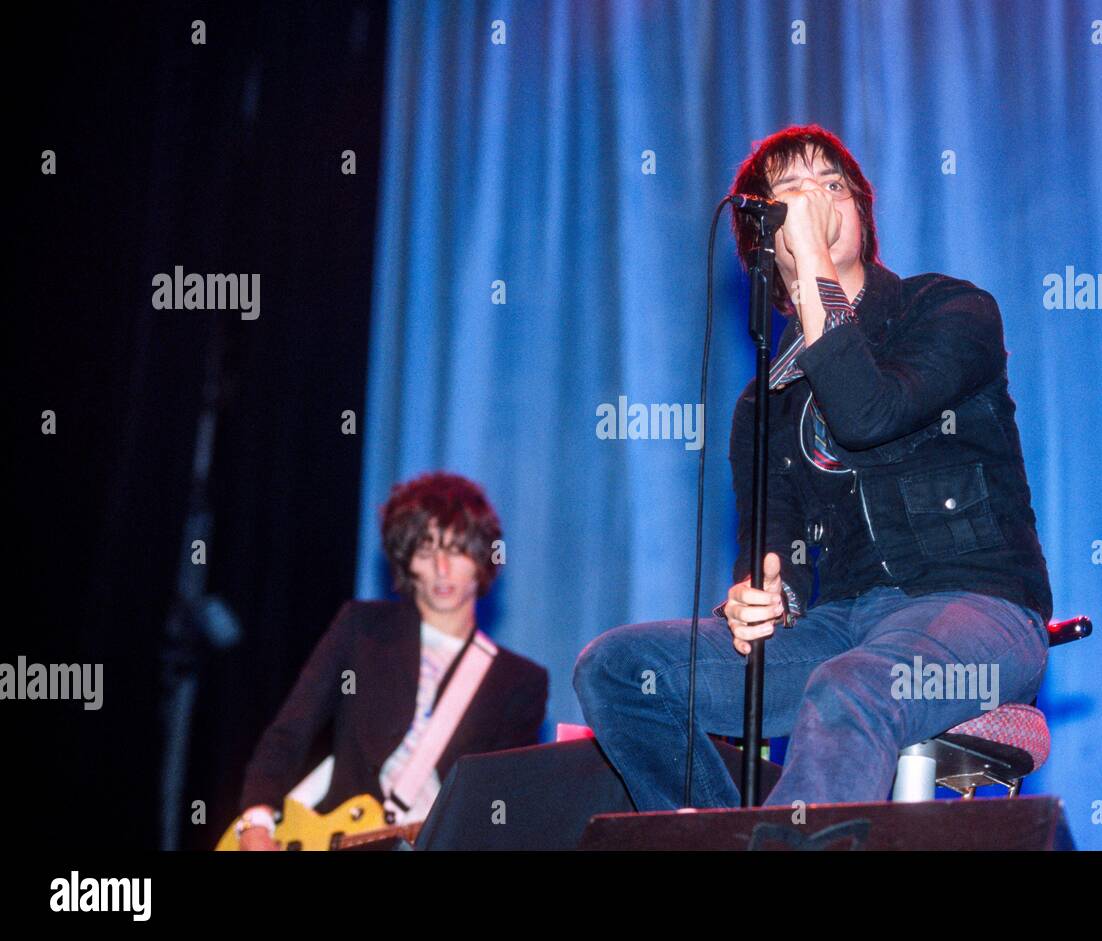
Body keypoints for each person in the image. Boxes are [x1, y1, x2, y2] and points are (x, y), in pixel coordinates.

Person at [573, 124, 1053, 811]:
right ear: (763, 236)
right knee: (617, 668)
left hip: (975, 607)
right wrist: (762, 598)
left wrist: (814, 270)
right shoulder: (762, 405)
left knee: (852, 683)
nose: (819, 200)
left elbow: (869, 411)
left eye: (835, 187)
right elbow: (778, 558)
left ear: (860, 214)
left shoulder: (949, 309)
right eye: (793, 191)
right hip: (842, 625)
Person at [235, 471, 547, 850]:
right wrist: (256, 822)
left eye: (455, 549)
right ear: (407, 562)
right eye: (426, 551)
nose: (442, 570)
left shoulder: (518, 682)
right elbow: (289, 734)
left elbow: (502, 809)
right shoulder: (361, 629)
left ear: (482, 559)